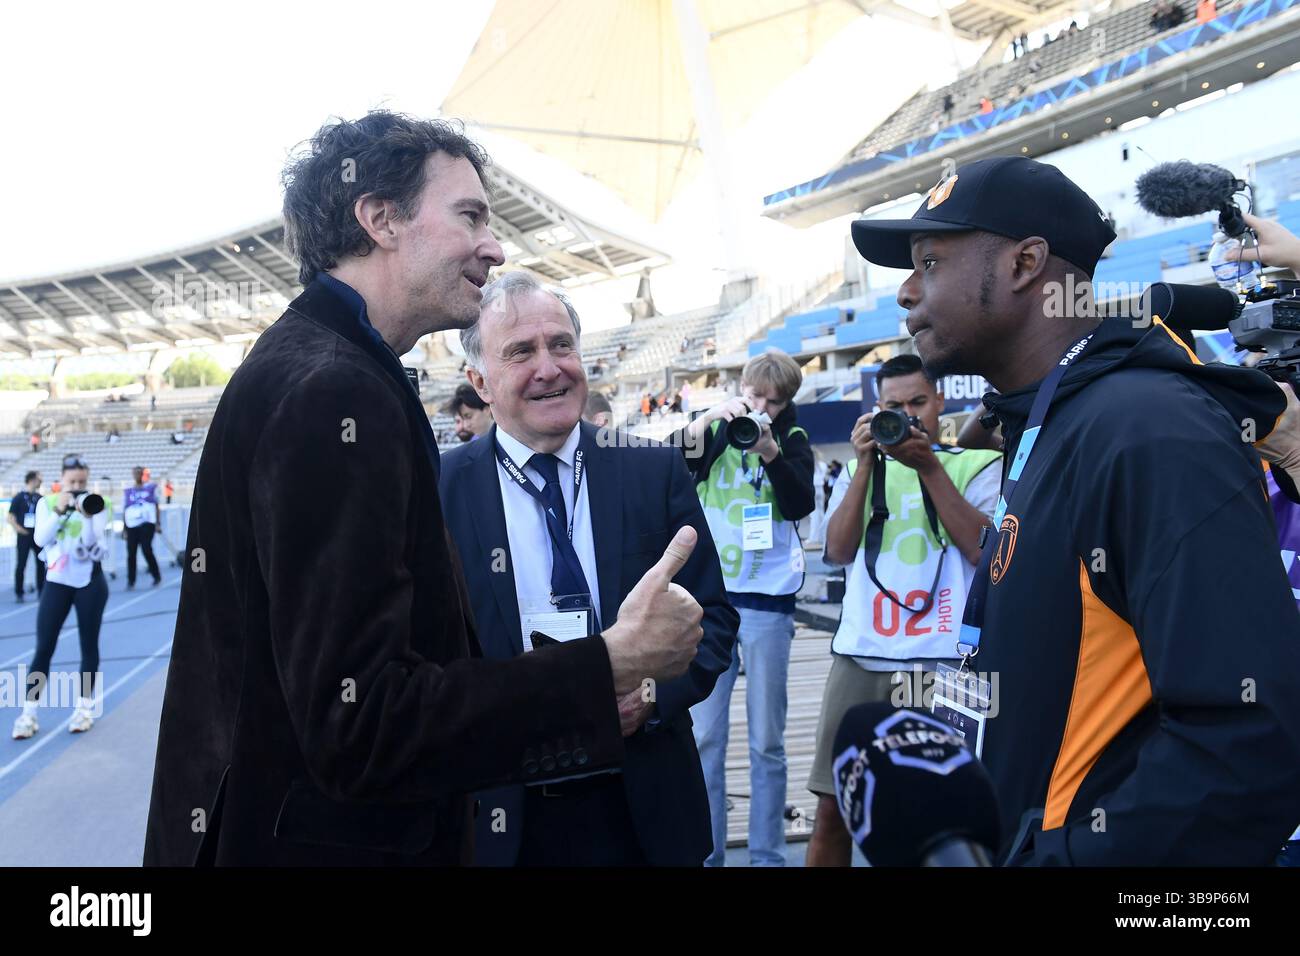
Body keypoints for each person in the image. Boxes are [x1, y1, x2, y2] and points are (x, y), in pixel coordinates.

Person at [144, 111, 705, 867]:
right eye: (470, 215)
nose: (495, 247)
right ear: (379, 219)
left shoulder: (319, 366)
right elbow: (362, 726)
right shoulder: (334, 390)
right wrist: (606, 663)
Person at [850, 154, 1300, 864]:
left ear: (1027, 263)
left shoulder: (1147, 427)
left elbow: (1247, 740)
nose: (906, 292)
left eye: (930, 262)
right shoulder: (1051, 418)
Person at [441, 272, 737, 866]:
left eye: (562, 345)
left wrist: (651, 695)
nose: (549, 368)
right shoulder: (436, 489)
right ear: (479, 381)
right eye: (521, 351)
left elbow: (715, 621)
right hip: (503, 817)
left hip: (643, 810)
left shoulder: (652, 471)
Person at [805, 356, 1001, 865]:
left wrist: (930, 467)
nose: (908, 416)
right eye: (894, 407)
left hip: (943, 664)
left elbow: (985, 551)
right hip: (862, 656)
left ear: (940, 401)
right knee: (832, 809)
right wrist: (867, 464)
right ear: (876, 409)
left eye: (918, 403)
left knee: (942, 813)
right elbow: (838, 551)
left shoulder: (973, 464)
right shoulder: (856, 468)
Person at [668, 349, 816, 866]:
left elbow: (800, 504)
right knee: (705, 738)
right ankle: (710, 857)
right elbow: (666, 463)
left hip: (769, 605)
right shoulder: (712, 431)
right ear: (741, 387)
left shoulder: (792, 439)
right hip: (711, 605)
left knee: (767, 743)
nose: (762, 409)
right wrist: (710, 418)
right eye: (755, 397)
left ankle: (768, 857)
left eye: (774, 402)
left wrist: (773, 453)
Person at [12, 455, 112, 739]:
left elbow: (94, 543)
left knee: (88, 646)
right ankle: (28, 713)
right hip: (57, 582)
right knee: (44, 647)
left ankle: (83, 708)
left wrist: (87, 515)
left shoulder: (95, 504)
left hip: (89, 583)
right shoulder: (46, 503)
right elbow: (40, 539)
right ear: (61, 481)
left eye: (82, 482)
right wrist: (59, 511)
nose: (78, 487)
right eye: (72, 483)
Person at [123, 465, 162, 589]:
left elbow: (156, 506)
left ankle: (156, 576)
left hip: (147, 524)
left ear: (143, 474)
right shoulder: (128, 491)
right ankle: (131, 581)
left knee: (146, 549)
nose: (137, 475)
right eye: (135, 473)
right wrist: (124, 528)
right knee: (131, 553)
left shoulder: (151, 488)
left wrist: (157, 523)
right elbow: (125, 509)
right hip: (131, 525)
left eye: (139, 473)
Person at [9, 471, 45, 602]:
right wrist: (20, 530)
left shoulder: (40, 498)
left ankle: (42, 590)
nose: (41, 481)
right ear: (32, 480)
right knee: (21, 564)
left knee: (41, 563)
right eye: (39, 479)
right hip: (23, 536)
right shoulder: (19, 497)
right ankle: (19, 592)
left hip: (37, 535)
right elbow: (11, 517)